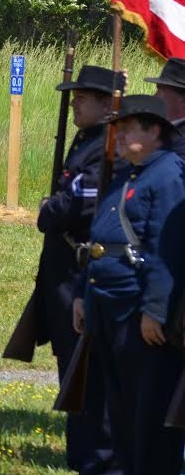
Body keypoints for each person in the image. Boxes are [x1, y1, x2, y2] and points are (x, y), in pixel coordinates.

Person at [73, 94, 185, 475]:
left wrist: (155, 310)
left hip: (138, 313)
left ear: (154, 131)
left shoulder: (168, 174)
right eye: (116, 129)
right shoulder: (127, 174)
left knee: (148, 416)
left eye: (126, 129)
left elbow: (166, 250)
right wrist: (82, 296)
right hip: (107, 304)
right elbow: (98, 242)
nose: (117, 136)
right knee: (118, 410)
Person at [36, 65, 122, 475]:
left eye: (82, 97)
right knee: (71, 364)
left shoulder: (105, 145)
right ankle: (81, 454)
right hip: (65, 268)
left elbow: (78, 204)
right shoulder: (87, 140)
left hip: (79, 269)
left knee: (84, 369)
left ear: (107, 104)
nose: (74, 102)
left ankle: (95, 457)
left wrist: (47, 210)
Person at [146, 57, 185, 156]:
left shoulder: (178, 141)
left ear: (182, 98)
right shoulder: (164, 129)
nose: (154, 96)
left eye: (160, 90)